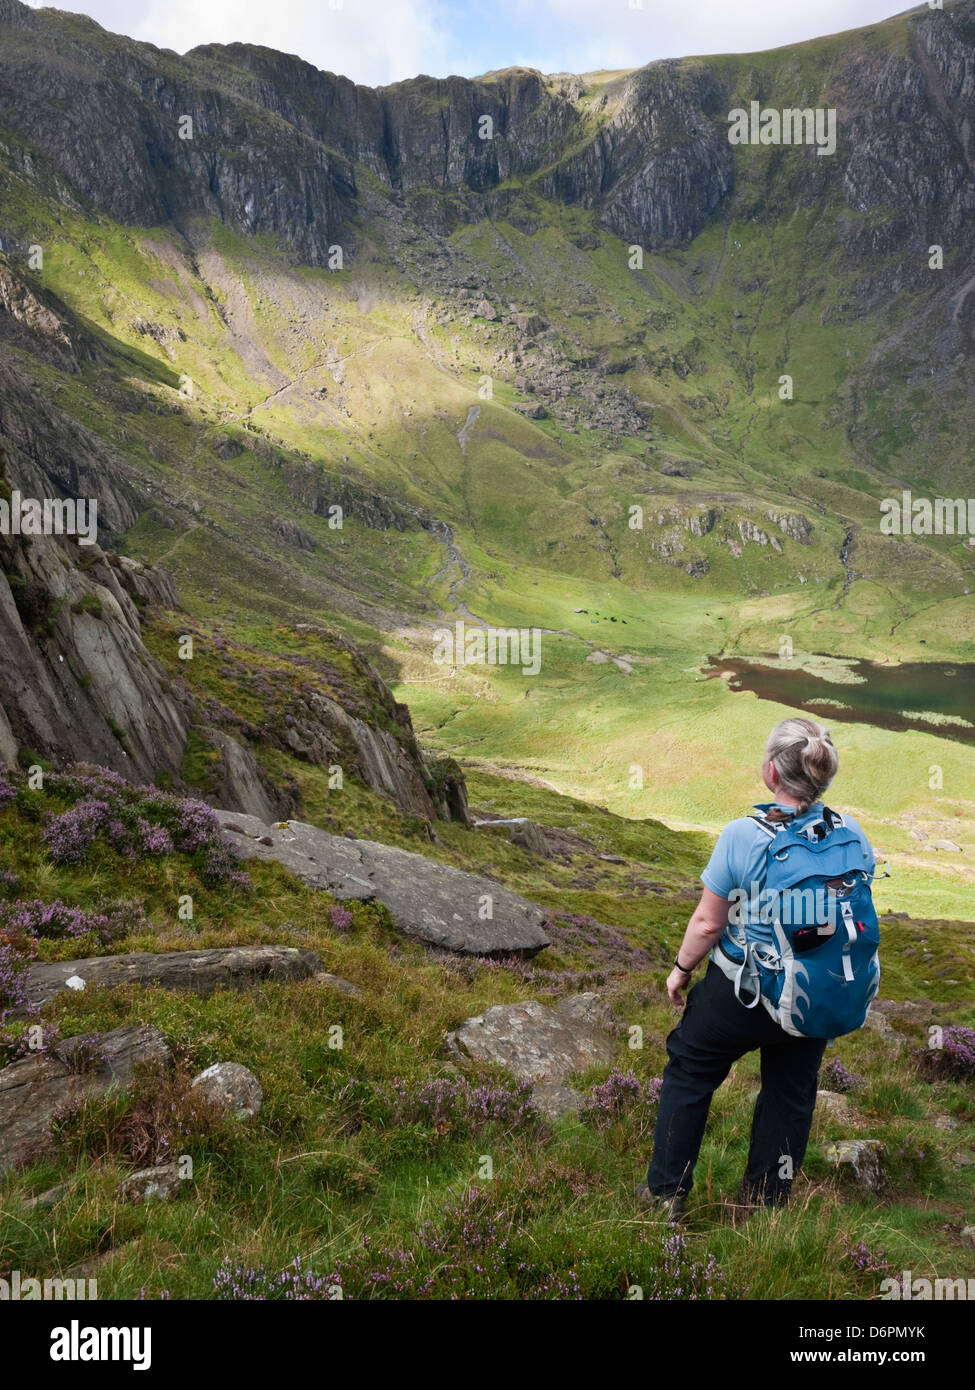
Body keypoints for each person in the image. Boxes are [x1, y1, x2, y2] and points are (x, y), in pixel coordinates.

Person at [639, 717, 875, 1221]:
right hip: (813, 990)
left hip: (743, 992)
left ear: (771, 772)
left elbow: (707, 923)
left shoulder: (744, 835)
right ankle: (765, 1207)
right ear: (822, 775)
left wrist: (680, 970)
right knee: (791, 1093)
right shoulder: (852, 832)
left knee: (690, 1070)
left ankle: (665, 1197)